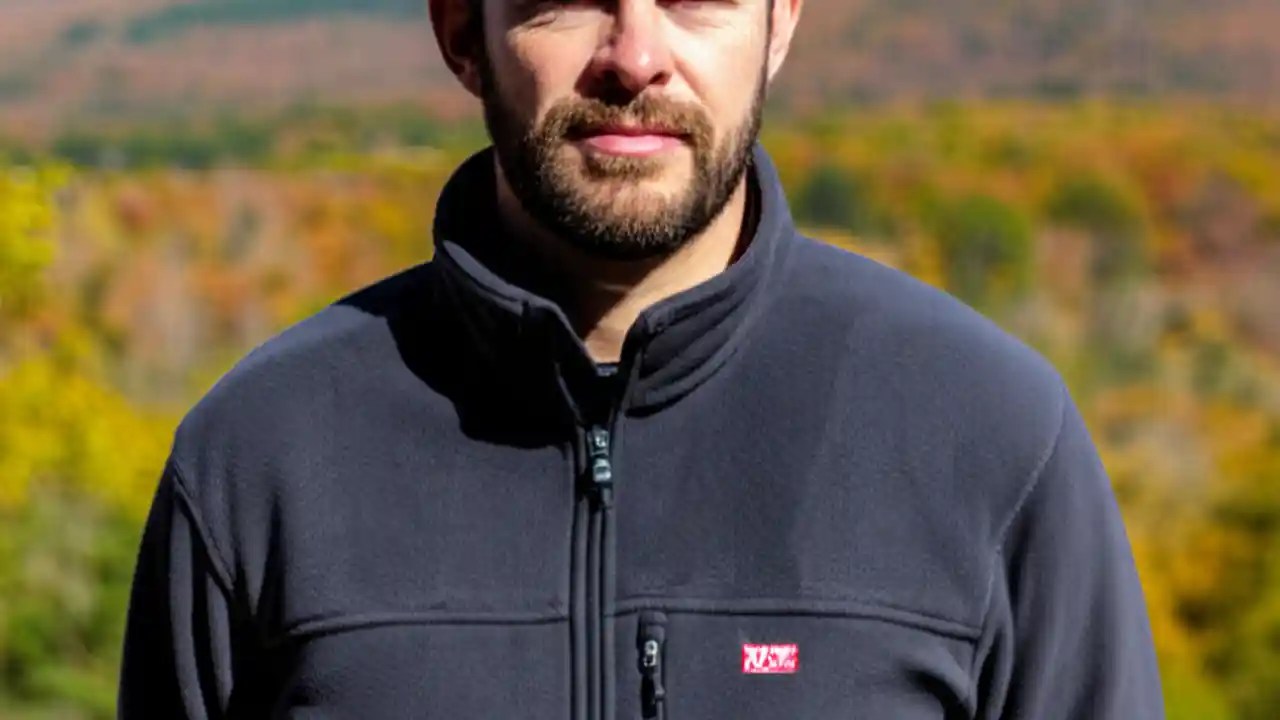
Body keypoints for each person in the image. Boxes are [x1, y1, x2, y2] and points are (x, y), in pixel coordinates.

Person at [117, 0, 1165, 717]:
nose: (635, 55)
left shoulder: (990, 437)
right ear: (461, 32)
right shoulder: (260, 460)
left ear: (780, 24)